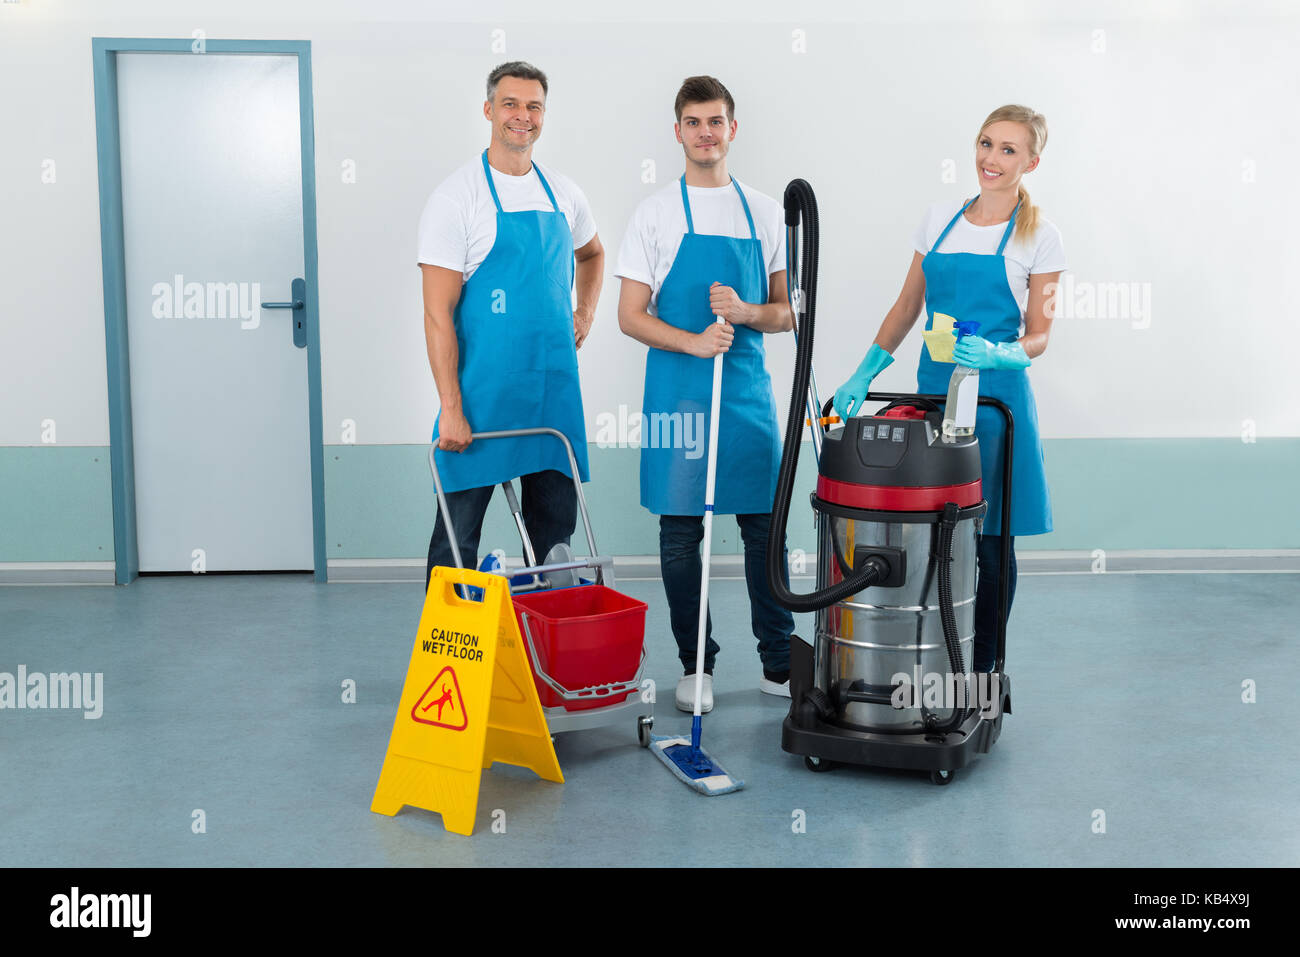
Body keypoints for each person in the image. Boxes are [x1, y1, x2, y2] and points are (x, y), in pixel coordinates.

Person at [832, 104, 1065, 674]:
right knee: (933, 537)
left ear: (1031, 162)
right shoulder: (939, 218)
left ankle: (981, 670)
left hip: (996, 409)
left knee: (990, 545)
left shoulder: (1042, 238)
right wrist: (864, 372)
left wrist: (997, 353)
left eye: (1008, 150)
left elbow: (1039, 337)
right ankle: (931, 656)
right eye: (986, 144)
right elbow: (907, 306)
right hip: (932, 403)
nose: (992, 159)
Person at [615, 75, 795, 713]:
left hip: (746, 393)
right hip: (677, 396)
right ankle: (697, 665)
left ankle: (779, 661)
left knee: (761, 529)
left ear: (733, 128)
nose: (706, 133)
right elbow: (629, 315)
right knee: (680, 532)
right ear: (678, 131)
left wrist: (745, 312)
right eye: (694, 122)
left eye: (716, 121)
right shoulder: (655, 213)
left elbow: (789, 313)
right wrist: (692, 342)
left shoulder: (767, 210)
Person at [418, 61, 604, 590]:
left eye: (533, 106)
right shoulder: (457, 199)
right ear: (488, 110)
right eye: (510, 104)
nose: (522, 116)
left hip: (552, 399)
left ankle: (547, 665)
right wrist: (451, 409)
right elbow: (436, 315)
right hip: (480, 404)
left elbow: (592, 254)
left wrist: (584, 313)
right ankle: (450, 662)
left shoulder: (563, 193)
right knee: (455, 545)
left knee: (557, 553)